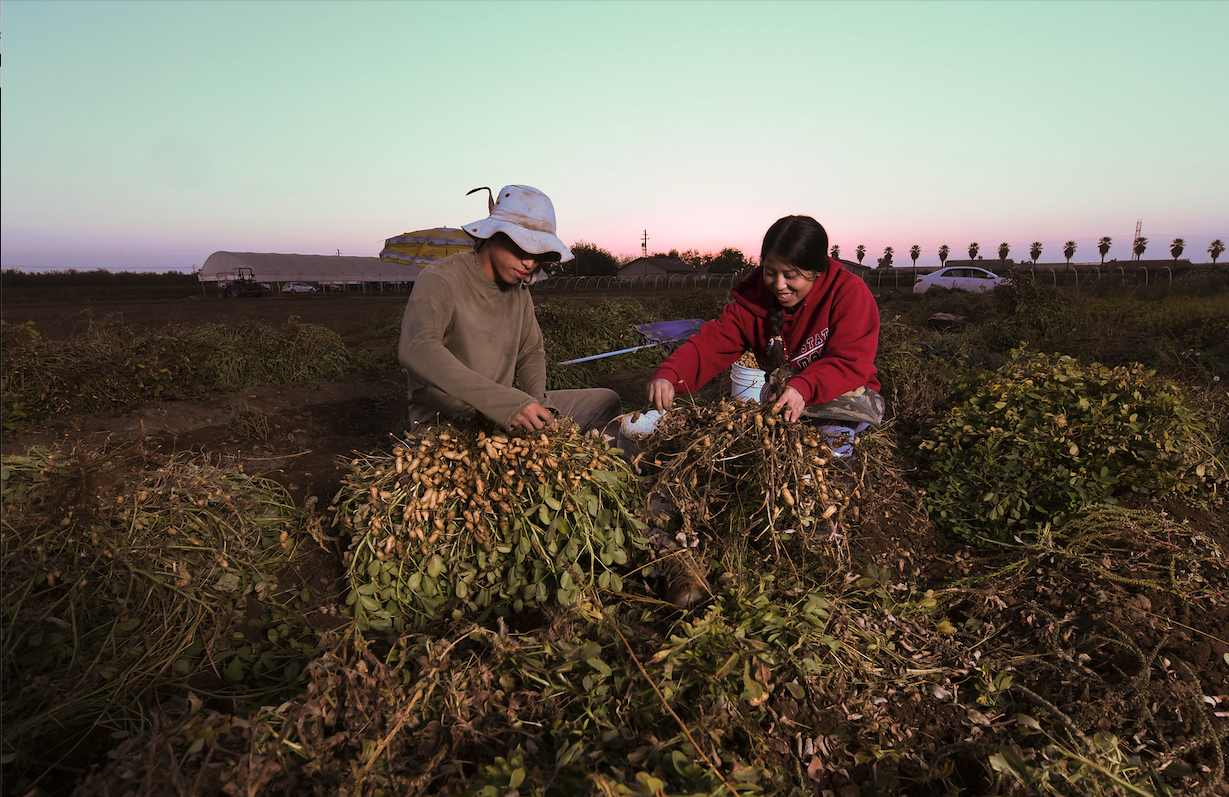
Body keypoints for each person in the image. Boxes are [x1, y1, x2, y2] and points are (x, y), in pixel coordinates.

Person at [399, 185, 622, 433]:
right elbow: (417, 349)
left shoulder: (519, 292)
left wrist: (538, 403)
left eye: (538, 252)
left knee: (607, 402)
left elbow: (531, 352)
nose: (529, 262)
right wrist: (507, 404)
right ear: (492, 234)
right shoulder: (441, 278)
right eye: (521, 247)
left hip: (504, 412)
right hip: (449, 424)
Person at [647, 215, 883, 449]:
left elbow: (850, 362)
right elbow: (711, 343)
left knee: (830, 439)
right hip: (787, 396)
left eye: (790, 276)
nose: (779, 285)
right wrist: (671, 373)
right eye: (770, 272)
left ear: (817, 270)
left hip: (846, 395)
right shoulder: (754, 303)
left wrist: (805, 386)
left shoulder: (848, 293)